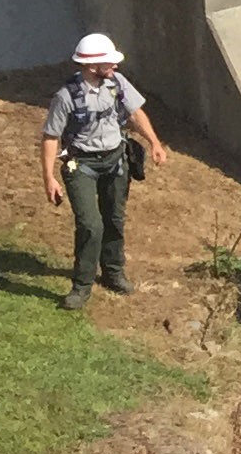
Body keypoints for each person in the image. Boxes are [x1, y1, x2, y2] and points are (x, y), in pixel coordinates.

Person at [39, 34, 167, 312]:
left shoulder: (117, 83)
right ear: (92, 65)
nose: (115, 66)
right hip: (80, 166)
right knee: (90, 225)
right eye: (109, 62)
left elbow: (135, 113)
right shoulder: (65, 97)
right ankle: (81, 286)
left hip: (115, 161)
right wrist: (48, 177)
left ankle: (113, 272)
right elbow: (51, 137)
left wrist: (154, 143)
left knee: (114, 218)